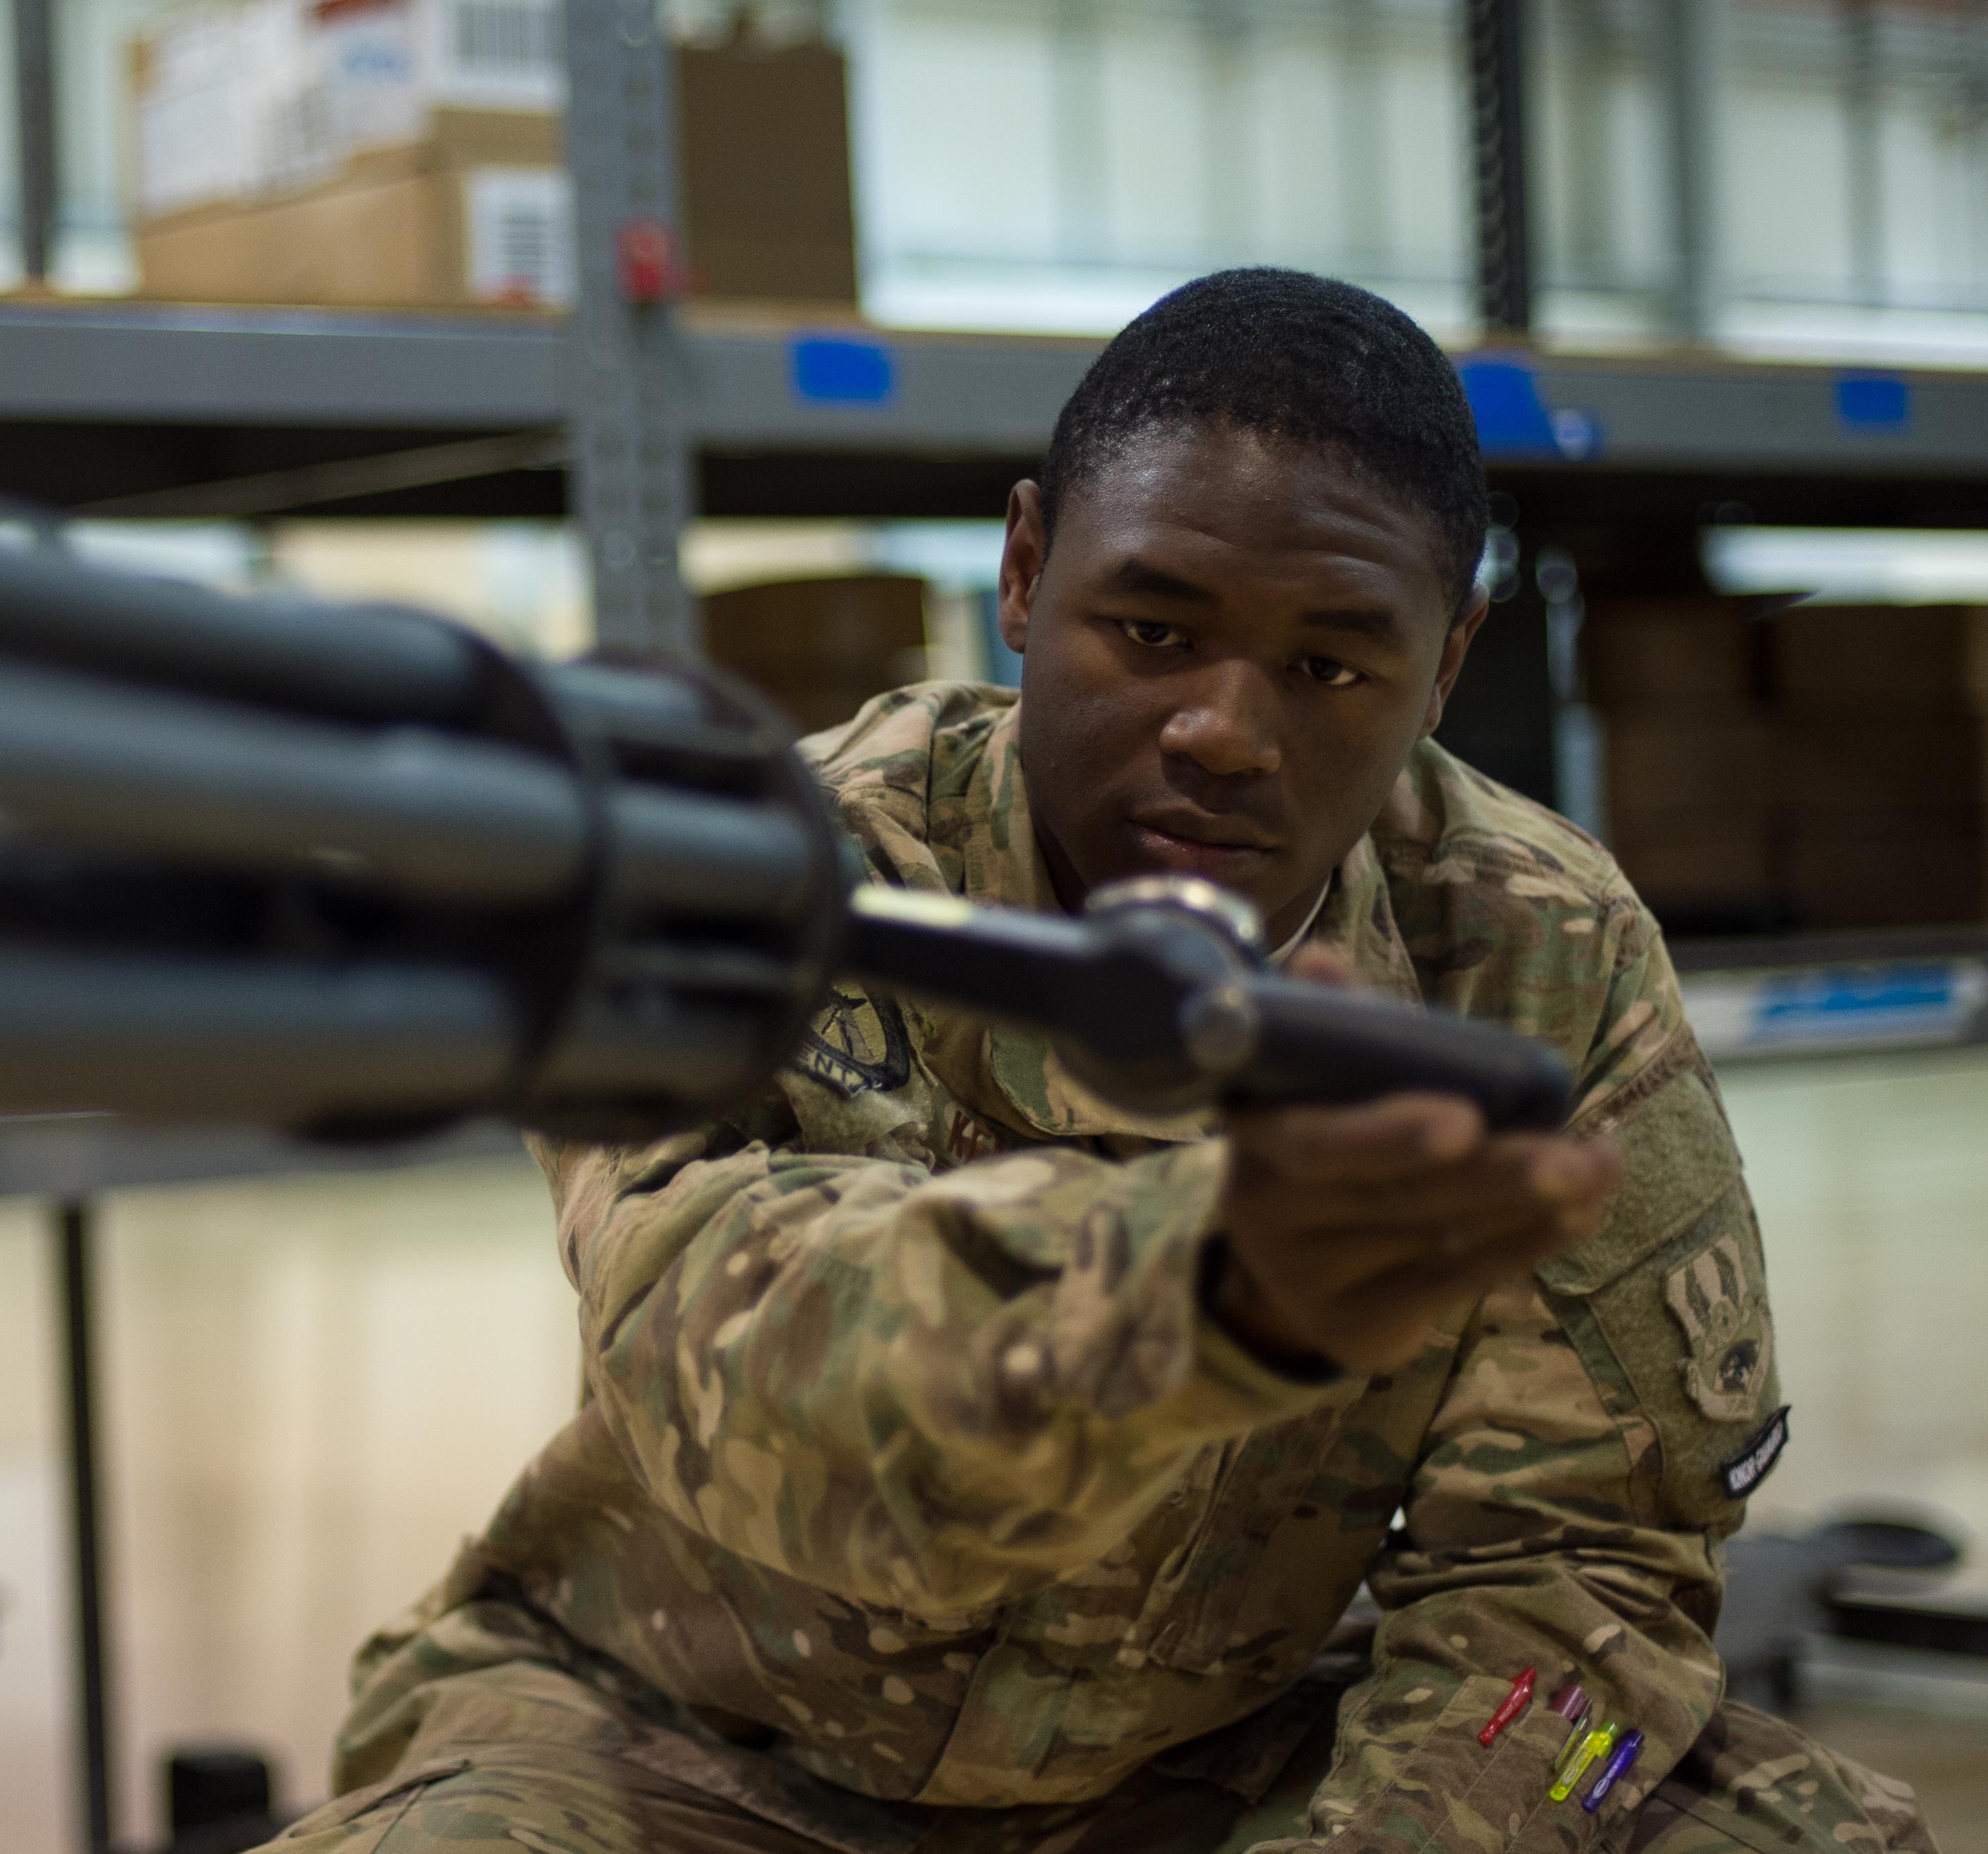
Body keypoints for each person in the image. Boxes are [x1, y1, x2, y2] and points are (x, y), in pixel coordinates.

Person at [256, 269, 1935, 1854]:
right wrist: (1198, 1295)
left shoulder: (1536, 954)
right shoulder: (775, 880)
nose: (1222, 731)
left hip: (1196, 1766)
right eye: (1150, 631)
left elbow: (1585, 1563)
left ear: (1446, 667)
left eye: (1328, 666)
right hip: (680, 1746)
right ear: (1024, 571)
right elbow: (747, 1386)